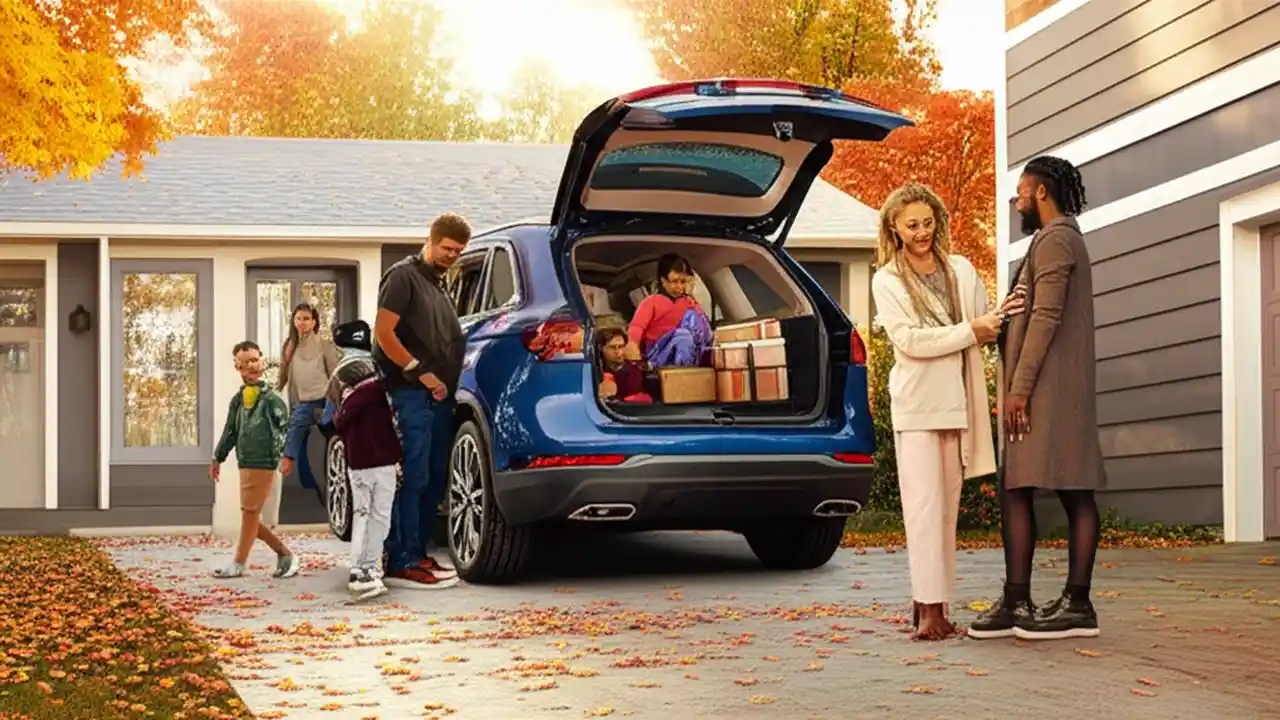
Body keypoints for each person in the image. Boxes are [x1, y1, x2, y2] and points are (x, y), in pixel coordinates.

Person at [869, 183, 1022, 640]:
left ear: (939, 221)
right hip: (917, 405)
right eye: (911, 224)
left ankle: (931, 604)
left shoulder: (960, 269)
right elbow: (910, 341)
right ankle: (931, 612)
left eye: (928, 222)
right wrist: (971, 330)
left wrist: (999, 317)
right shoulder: (888, 279)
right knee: (922, 508)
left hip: (958, 403)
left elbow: (983, 328)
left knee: (945, 510)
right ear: (894, 227)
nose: (921, 232)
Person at [969, 155, 1105, 641]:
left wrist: (1019, 390)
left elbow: (1046, 318)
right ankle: (1021, 599)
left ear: (1041, 193)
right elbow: (1037, 312)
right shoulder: (1056, 240)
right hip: (1050, 389)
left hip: (1048, 391)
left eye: (1021, 191)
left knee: (1060, 487)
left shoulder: (1056, 239)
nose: (1016, 200)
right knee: (1044, 486)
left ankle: (1073, 602)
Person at [372, 212, 470, 589]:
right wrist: (420, 372)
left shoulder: (438, 283)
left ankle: (418, 552)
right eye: (447, 248)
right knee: (413, 476)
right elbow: (384, 334)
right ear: (430, 240)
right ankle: (401, 559)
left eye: (458, 251)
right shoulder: (403, 276)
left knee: (433, 478)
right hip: (412, 393)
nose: (451, 255)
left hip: (440, 397)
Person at [210, 340, 301, 580]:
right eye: (245, 362)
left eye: (254, 359)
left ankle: (239, 564)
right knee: (250, 516)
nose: (251, 365)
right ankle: (284, 554)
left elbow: (286, 429)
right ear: (237, 367)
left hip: (265, 460)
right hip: (245, 461)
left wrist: (285, 455)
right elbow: (230, 431)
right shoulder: (238, 401)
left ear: (262, 362)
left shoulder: (272, 399)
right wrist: (217, 457)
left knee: (250, 513)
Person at [333, 372, 407, 599]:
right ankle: (368, 568)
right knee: (380, 516)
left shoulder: (352, 399)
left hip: (360, 465)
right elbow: (391, 430)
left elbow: (340, 423)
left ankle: (360, 569)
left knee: (362, 515)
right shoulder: (382, 395)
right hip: (383, 463)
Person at [277, 303, 340, 493]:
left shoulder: (325, 345)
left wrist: (335, 401)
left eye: (306, 318)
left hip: (323, 399)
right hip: (299, 400)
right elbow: (283, 372)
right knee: (301, 439)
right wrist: (275, 389)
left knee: (298, 425)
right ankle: (308, 487)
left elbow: (335, 374)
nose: (302, 322)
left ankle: (287, 459)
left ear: (314, 322)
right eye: (298, 318)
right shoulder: (289, 345)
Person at [626, 253, 712, 367]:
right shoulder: (651, 302)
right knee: (683, 336)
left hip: (688, 351)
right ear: (663, 280)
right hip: (658, 353)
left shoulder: (689, 303)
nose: (679, 287)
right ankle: (682, 373)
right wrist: (633, 343)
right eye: (675, 282)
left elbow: (701, 329)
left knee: (694, 317)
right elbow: (637, 326)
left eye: (683, 282)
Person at [596, 327, 651, 403]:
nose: (618, 352)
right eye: (612, 347)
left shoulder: (635, 371)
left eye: (621, 346)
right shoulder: (595, 371)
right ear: (601, 349)